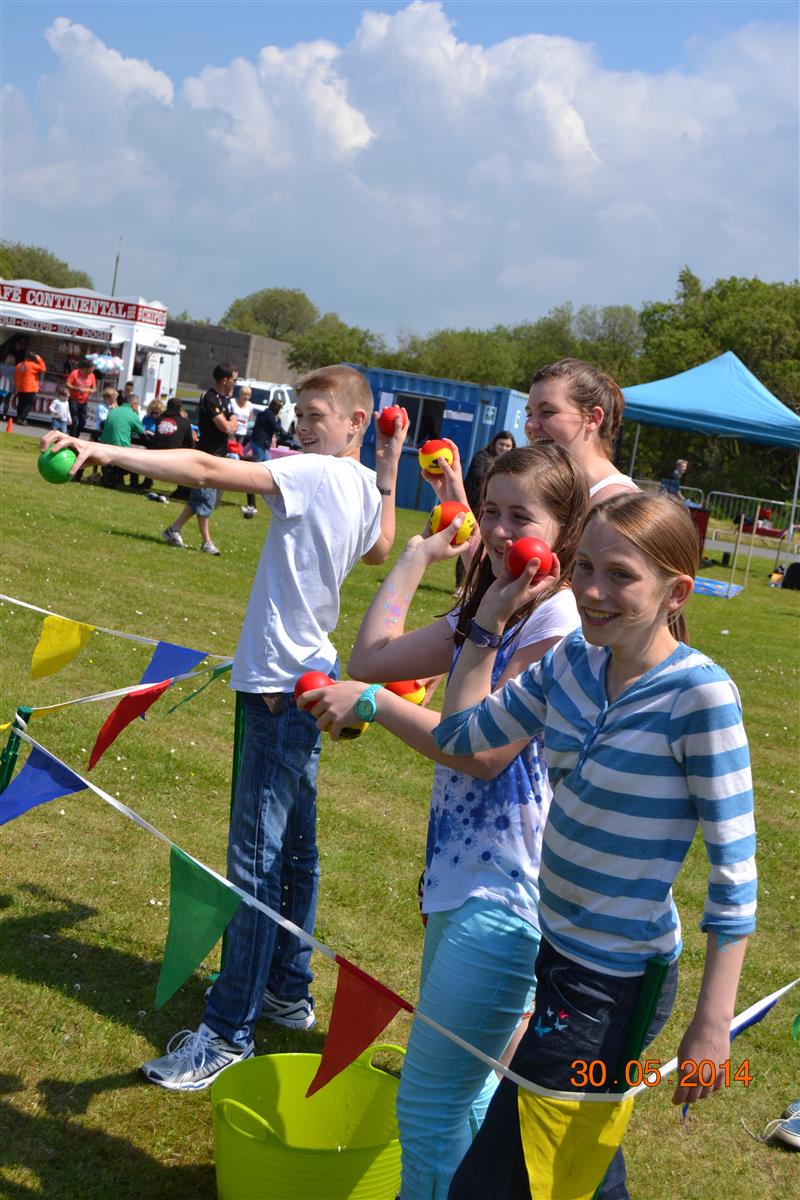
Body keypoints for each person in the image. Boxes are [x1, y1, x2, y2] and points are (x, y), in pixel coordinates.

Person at [42, 363, 407, 1091]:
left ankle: (226, 1030)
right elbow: (379, 549)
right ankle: (287, 990)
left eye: (315, 415)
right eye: (297, 415)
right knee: (296, 856)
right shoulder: (359, 483)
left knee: (252, 868)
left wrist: (107, 452)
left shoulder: (309, 473)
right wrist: (387, 465)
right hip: (309, 681)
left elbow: (210, 465)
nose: (300, 426)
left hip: (277, 686)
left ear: (352, 423)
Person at [430, 493, 756, 1200]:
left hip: (614, 984)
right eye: (583, 567)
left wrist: (712, 1026)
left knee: (504, 1177)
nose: (593, 591)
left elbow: (735, 872)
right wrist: (487, 620)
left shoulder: (700, 696)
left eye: (621, 575)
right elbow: (460, 738)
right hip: (560, 951)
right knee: (575, 1160)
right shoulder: (572, 663)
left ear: (677, 592)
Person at [300, 445, 588, 1200]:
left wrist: (375, 705)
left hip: (506, 901)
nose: (497, 530)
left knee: (429, 1107)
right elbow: (370, 655)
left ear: (564, 531)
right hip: (465, 885)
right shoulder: (492, 604)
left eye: (520, 515)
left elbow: (482, 751)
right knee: (464, 1099)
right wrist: (421, 553)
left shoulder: (556, 625)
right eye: (490, 510)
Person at [525, 359, 638, 506]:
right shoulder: (547, 489)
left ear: (592, 419)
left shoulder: (619, 505)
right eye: (529, 414)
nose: (530, 424)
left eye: (547, 412)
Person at [161, 363, 239, 556]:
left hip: (219, 455)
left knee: (200, 499)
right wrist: (231, 423)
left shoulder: (226, 400)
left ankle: (173, 530)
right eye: (234, 379)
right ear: (224, 379)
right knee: (206, 498)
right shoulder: (210, 397)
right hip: (206, 455)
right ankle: (206, 542)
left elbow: (233, 424)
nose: (235, 383)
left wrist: (231, 423)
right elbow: (227, 427)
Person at [98, 388, 146, 488]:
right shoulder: (133, 415)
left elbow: (103, 425)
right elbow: (142, 434)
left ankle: (114, 479)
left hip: (104, 447)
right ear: (134, 404)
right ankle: (134, 485)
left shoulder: (113, 411)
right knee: (136, 462)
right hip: (120, 450)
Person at [463, 431, 516, 515]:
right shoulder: (482, 456)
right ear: (494, 443)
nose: (504, 448)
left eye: (508, 446)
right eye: (501, 444)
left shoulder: (511, 463)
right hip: (471, 504)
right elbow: (478, 476)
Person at [230, 385, 258, 517]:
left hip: (242, 432)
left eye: (247, 395)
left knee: (240, 453)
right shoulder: (232, 403)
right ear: (239, 394)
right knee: (232, 452)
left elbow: (251, 417)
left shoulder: (250, 405)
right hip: (232, 431)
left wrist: (245, 422)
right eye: (243, 395)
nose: (245, 397)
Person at [65, 359, 97, 440]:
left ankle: (76, 436)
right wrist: (77, 388)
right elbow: (67, 384)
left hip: (84, 401)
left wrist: (91, 390)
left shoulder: (92, 376)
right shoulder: (75, 373)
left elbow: (94, 388)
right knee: (74, 420)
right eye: (91, 369)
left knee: (82, 421)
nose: (92, 371)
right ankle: (72, 438)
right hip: (74, 399)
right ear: (85, 368)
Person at [14, 349, 47, 424]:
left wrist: (17, 385)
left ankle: (19, 418)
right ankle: (22, 419)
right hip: (30, 388)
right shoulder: (32, 365)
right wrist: (39, 359)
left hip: (20, 388)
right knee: (29, 404)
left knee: (21, 404)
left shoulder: (19, 365)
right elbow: (43, 369)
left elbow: (15, 376)